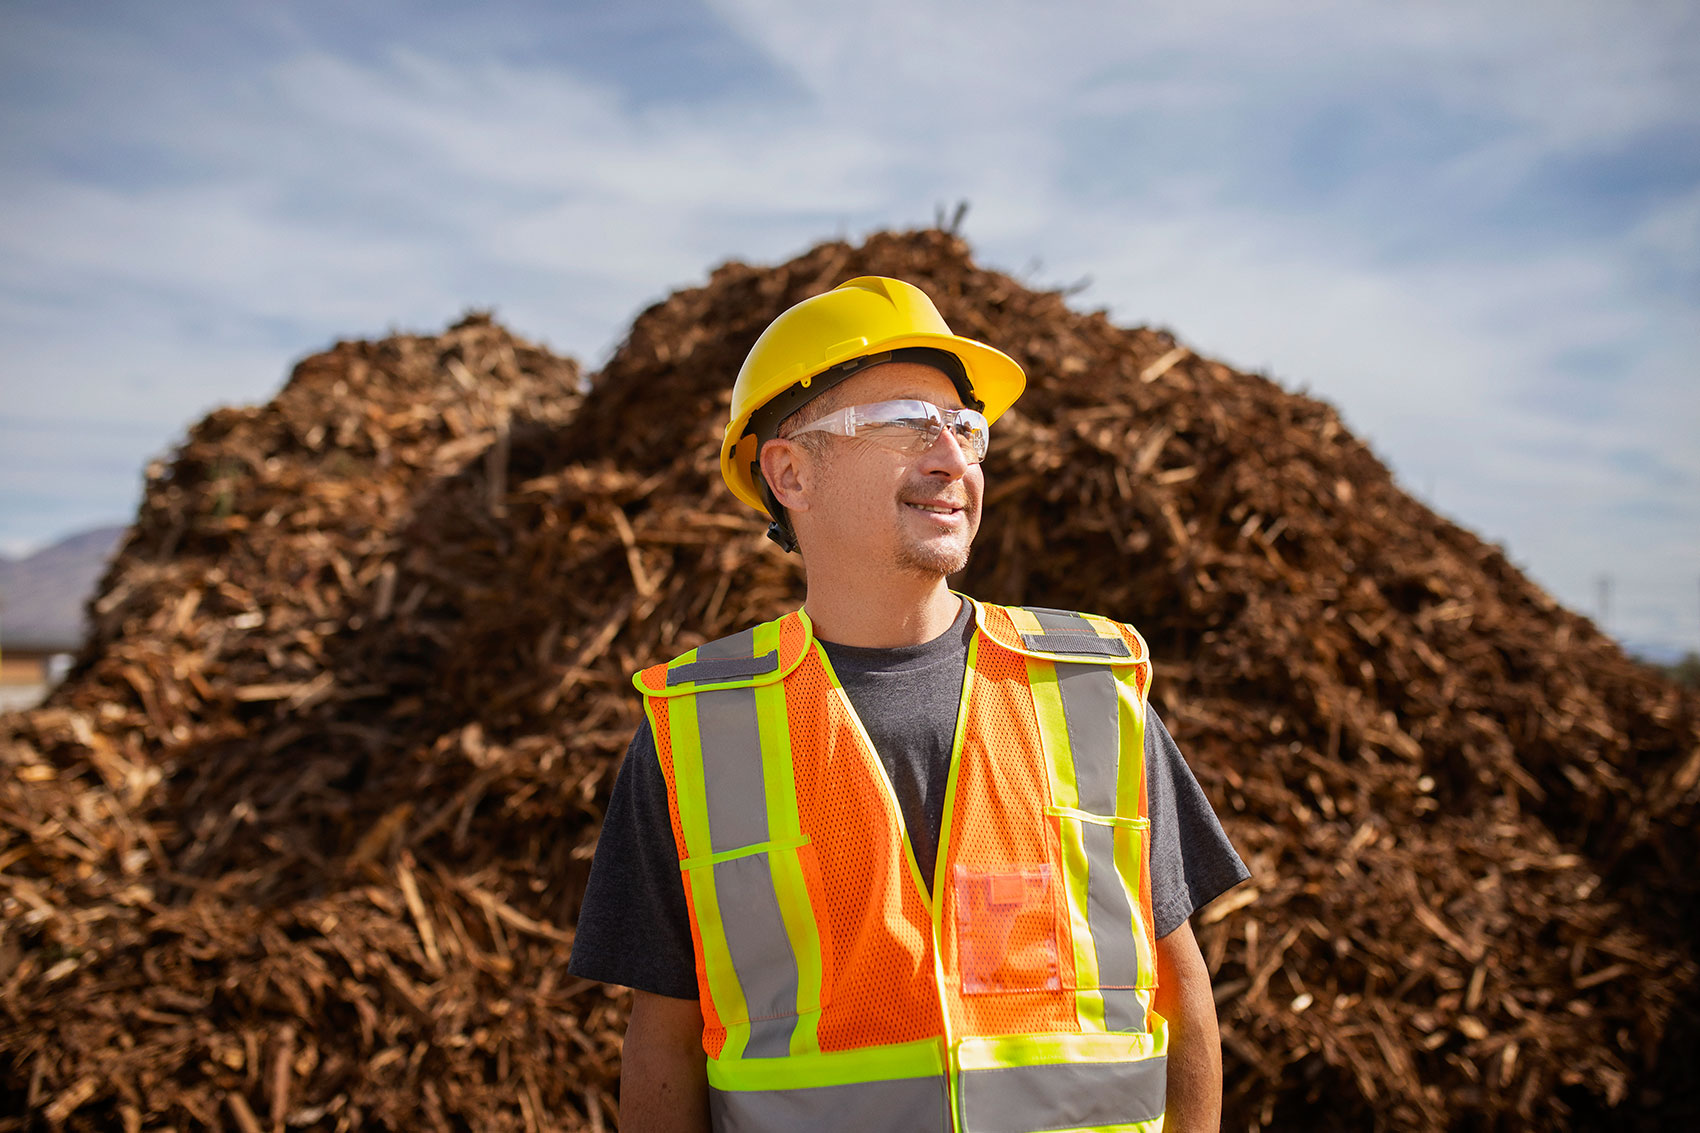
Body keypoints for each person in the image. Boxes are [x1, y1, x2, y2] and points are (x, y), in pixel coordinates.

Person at [569, 276, 1249, 1132]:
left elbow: (1180, 989)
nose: (953, 459)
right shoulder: (702, 733)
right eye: (905, 422)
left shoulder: (1089, 691)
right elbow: (664, 1039)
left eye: (966, 429)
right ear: (790, 472)